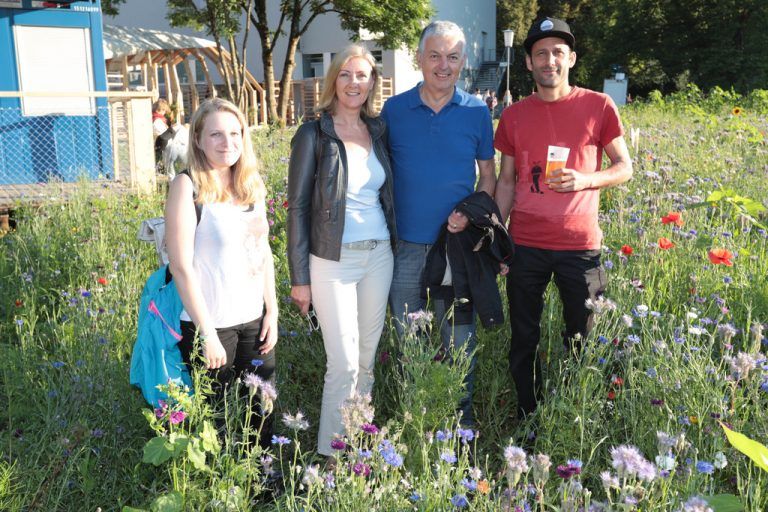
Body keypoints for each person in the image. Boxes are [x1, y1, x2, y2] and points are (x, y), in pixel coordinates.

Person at [494, 17, 633, 418]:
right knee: (524, 337)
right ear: (528, 63)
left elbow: (624, 166)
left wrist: (586, 180)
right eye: (541, 53)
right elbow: (505, 182)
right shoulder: (514, 116)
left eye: (557, 52)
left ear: (571, 58)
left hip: (582, 247)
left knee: (587, 334)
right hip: (525, 246)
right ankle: (528, 415)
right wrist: (497, 238)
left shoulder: (599, 106)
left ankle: (581, 410)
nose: (549, 60)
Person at [381, 20, 496, 427]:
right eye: (435, 56)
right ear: (419, 59)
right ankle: (417, 418)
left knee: (458, 337)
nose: (443, 65)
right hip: (406, 247)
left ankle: (458, 422)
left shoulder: (477, 111)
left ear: (463, 61)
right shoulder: (393, 111)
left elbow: (488, 175)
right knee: (409, 337)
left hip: (456, 248)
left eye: (452, 57)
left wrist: (473, 215)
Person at [287, 45, 396, 457]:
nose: (355, 83)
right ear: (334, 80)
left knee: (367, 357)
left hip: (378, 255)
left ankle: (358, 444)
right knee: (344, 362)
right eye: (347, 75)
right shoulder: (314, 133)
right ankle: (332, 457)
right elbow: (297, 207)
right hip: (331, 260)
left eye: (363, 75)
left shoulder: (378, 131)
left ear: (373, 83)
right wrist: (300, 277)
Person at [165, 98, 278, 445]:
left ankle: (264, 488)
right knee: (217, 420)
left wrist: (271, 310)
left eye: (234, 133)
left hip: (253, 321)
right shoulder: (187, 186)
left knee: (262, 411)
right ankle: (220, 492)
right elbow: (181, 266)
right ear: (198, 139)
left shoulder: (250, 185)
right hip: (211, 324)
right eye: (215, 134)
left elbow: (264, 252)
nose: (227, 142)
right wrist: (207, 333)